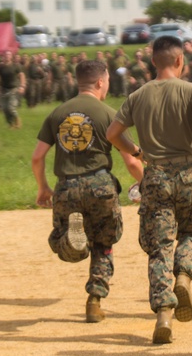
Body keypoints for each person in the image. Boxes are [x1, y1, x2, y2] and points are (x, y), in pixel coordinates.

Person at [106, 36, 192, 344]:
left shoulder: (138, 95)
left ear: (153, 62)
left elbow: (113, 133)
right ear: (180, 61)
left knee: (159, 246)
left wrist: (136, 151)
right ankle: (184, 274)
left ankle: (164, 316)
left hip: (154, 174)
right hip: (187, 173)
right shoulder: (191, 90)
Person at [32, 60, 144, 323]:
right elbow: (130, 160)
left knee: (62, 241)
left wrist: (43, 187)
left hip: (67, 186)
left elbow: (37, 158)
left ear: (77, 81)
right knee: (103, 243)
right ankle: (95, 301)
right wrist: (145, 183)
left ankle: (72, 243)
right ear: (101, 82)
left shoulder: (57, 113)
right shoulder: (108, 113)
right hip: (100, 184)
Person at [0, 50, 26, 128]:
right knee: (5, 109)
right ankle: (11, 124)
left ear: (11, 56)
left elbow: (21, 75)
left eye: (9, 55)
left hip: (13, 89)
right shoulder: (1, 67)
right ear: (3, 57)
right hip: (3, 90)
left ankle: (18, 122)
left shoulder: (16, 66)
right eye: (6, 55)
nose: (7, 56)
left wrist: (22, 86)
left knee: (11, 108)